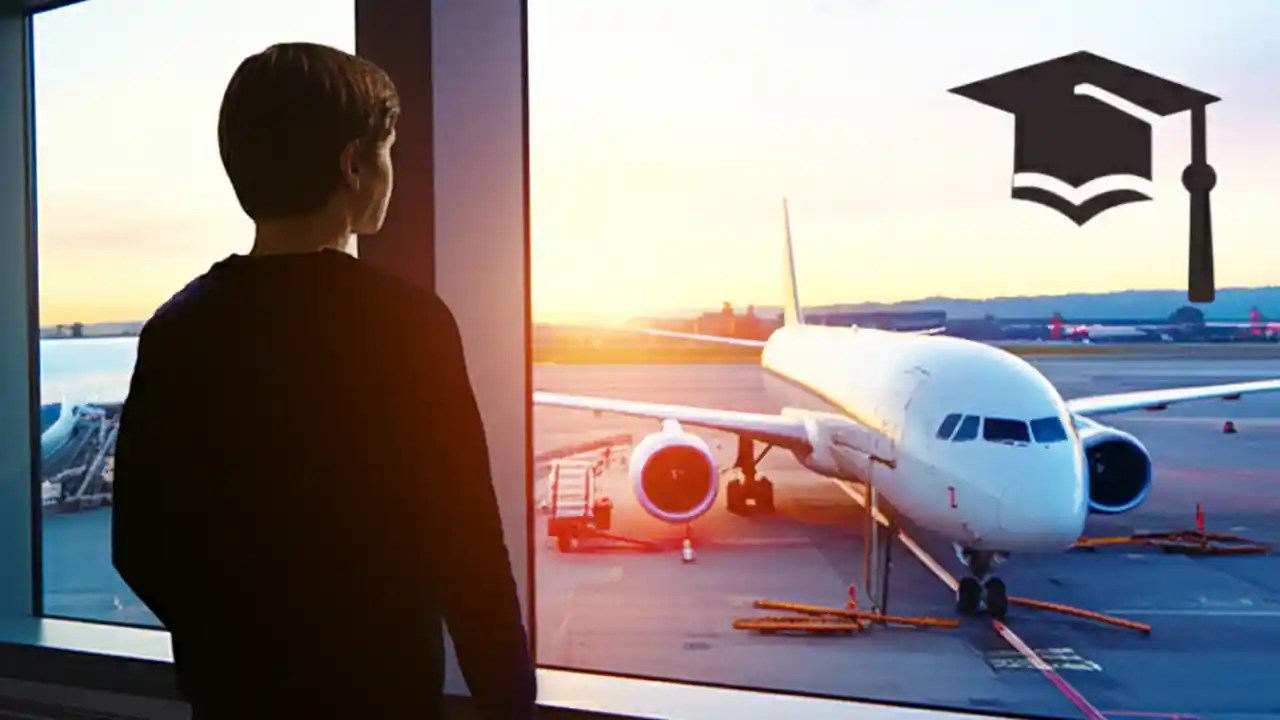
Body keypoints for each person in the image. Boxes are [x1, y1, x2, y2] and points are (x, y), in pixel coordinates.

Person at [110, 42, 536, 719]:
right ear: (354, 164)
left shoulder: (177, 329)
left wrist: (231, 643)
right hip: (379, 692)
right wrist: (508, 695)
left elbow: (138, 544)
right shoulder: (410, 324)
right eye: (388, 150)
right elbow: (468, 541)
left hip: (236, 697)